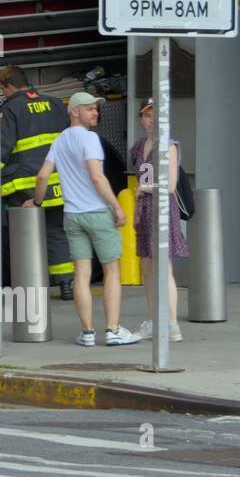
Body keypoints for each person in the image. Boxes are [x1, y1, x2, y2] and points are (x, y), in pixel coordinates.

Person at [27, 91, 140, 346]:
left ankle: (87, 332)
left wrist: (36, 202)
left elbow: (43, 176)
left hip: (73, 216)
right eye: (89, 109)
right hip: (98, 213)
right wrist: (117, 207)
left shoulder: (60, 140)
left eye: (96, 109)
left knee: (81, 274)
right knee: (112, 271)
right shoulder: (90, 139)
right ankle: (112, 330)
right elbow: (97, 177)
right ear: (74, 112)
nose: (95, 113)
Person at [0, 65, 74, 300]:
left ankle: (29, 285)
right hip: (59, 180)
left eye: (2, 90)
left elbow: (4, 146)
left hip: (23, 182)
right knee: (56, 231)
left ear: (8, 87)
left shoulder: (11, 108)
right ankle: (66, 283)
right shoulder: (56, 103)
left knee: (24, 234)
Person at [130, 98, 187, 342]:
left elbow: (171, 185)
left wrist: (144, 189)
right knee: (147, 266)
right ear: (141, 119)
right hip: (144, 210)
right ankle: (156, 320)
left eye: (157, 114)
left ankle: (171, 323)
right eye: (147, 115)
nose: (152, 120)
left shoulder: (168, 146)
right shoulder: (139, 146)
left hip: (162, 209)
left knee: (163, 266)